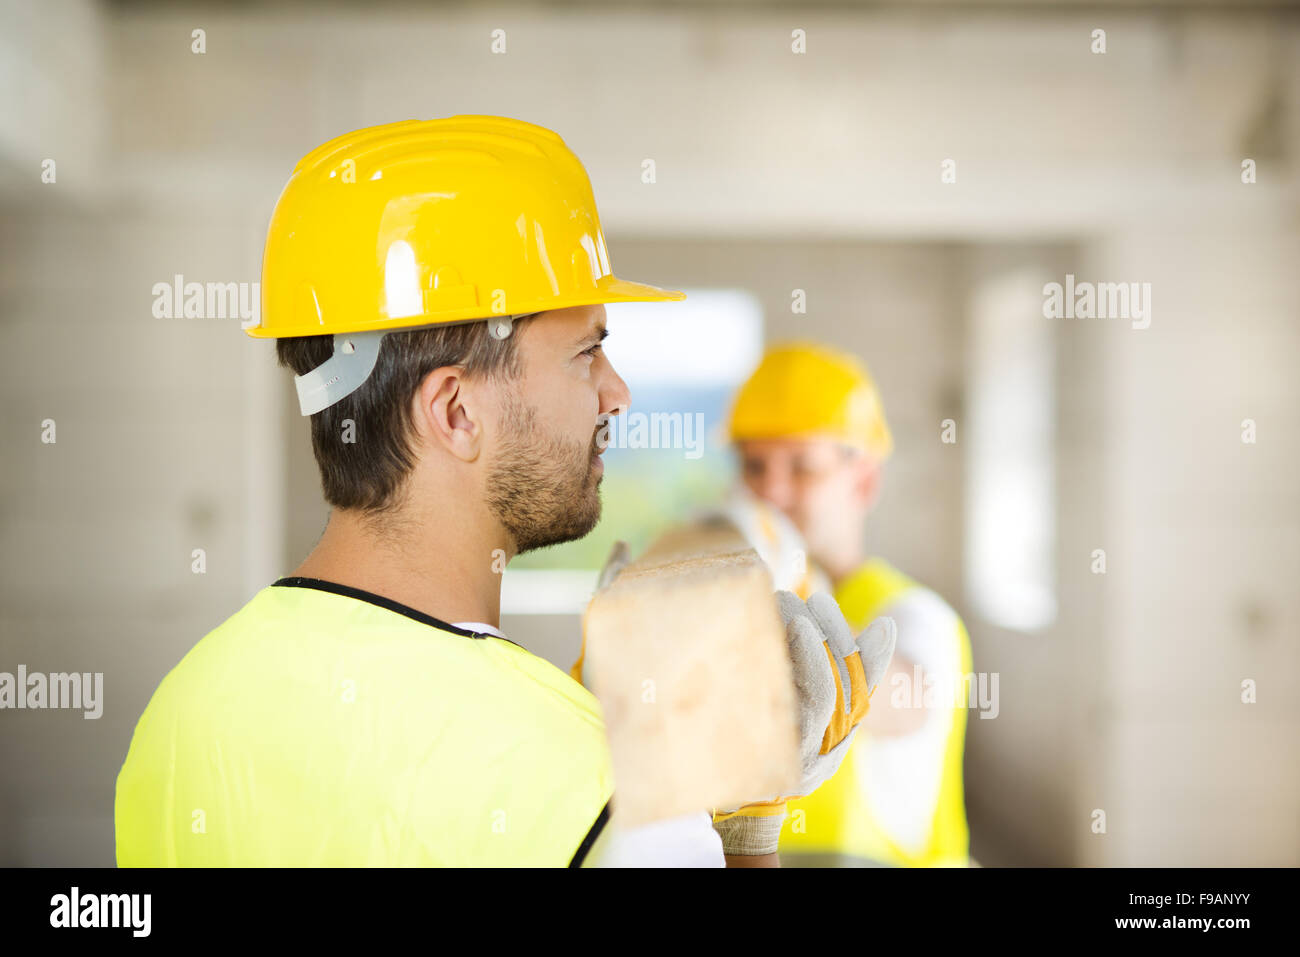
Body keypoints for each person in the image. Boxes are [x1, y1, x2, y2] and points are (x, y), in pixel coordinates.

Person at [114, 117, 885, 867]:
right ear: (455, 411)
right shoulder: (611, 800)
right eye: (587, 353)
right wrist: (745, 825)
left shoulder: (180, 712)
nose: (616, 393)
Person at [725, 341, 973, 867]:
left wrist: (785, 597)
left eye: (802, 467)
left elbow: (902, 703)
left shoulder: (915, 615)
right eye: (754, 465)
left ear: (863, 481)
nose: (771, 491)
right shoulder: (733, 610)